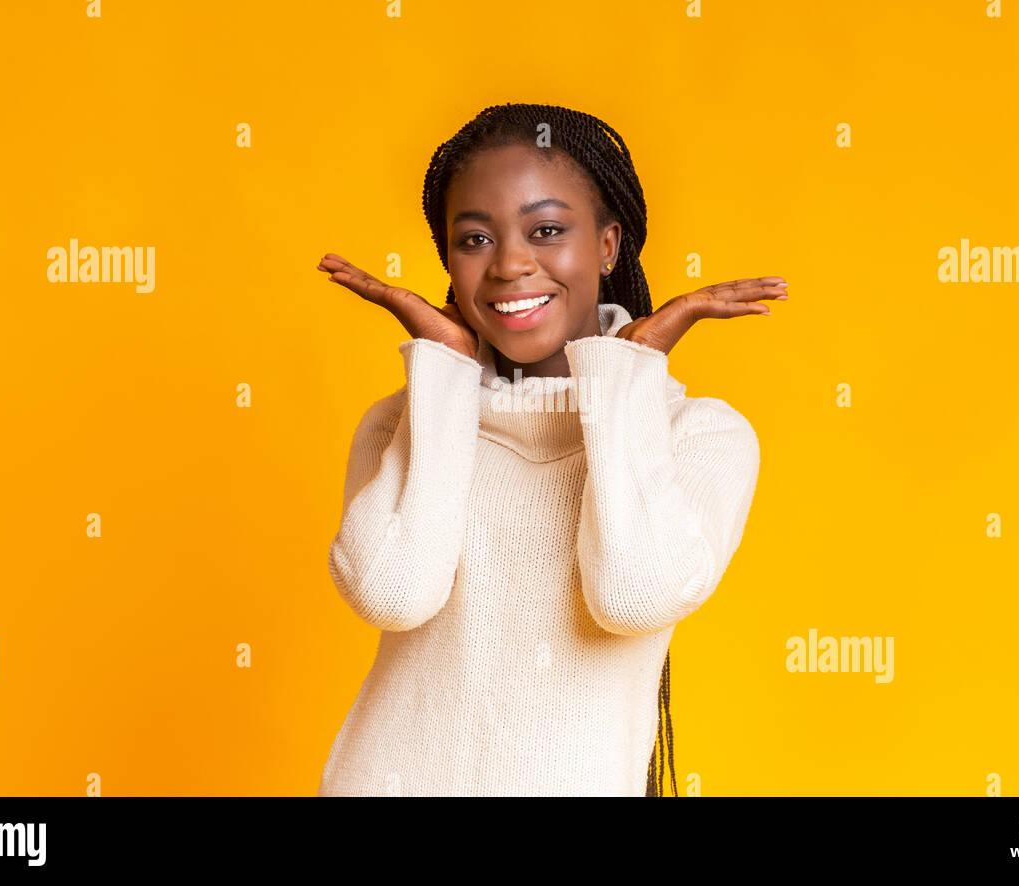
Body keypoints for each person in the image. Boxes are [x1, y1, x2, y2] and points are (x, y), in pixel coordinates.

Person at [314, 103, 788, 796]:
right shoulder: (402, 423)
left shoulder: (698, 435)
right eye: (474, 239)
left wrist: (626, 374)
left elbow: (634, 595)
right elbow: (394, 593)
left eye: (546, 230)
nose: (509, 264)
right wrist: (445, 374)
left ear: (606, 244)